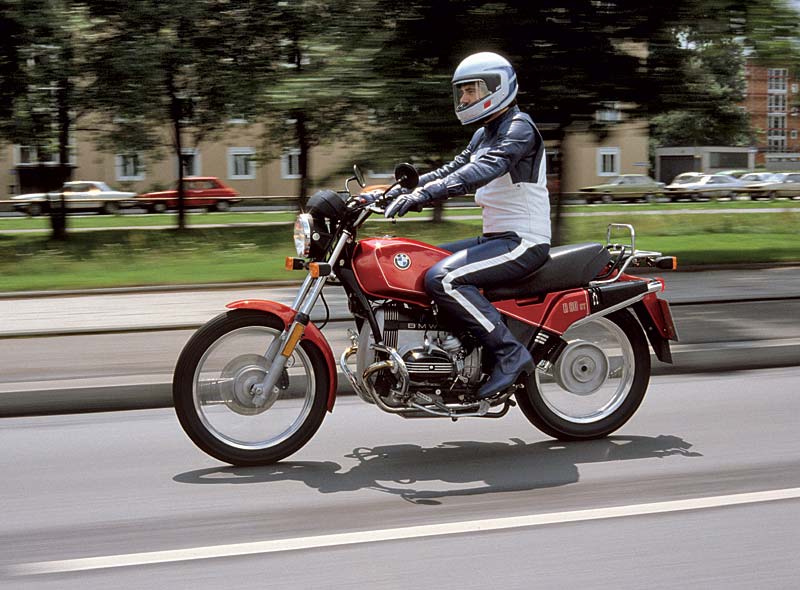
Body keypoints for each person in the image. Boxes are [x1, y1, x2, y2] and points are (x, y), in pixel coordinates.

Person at [384, 51, 551, 400]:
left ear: (496, 87)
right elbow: (450, 170)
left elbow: (483, 170)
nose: (463, 98)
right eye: (462, 91)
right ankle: (452, 352)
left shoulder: (519, 128)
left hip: (524, 240)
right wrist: (389, 191)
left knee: (444, 278)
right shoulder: (483, 134)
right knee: (421, 264)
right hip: (496, 236)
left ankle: (510, 353)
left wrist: (425, 195)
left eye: (470, 90)